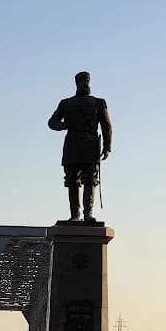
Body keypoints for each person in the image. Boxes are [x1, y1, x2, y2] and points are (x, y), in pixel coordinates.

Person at [48, 71, 113, 222]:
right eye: (82, 81)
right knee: (71, 180)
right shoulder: (66, 103)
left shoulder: (99, 102)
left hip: (90, 145)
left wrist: (107, 146)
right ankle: (75, 215)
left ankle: (87, 213)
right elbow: (52, 122)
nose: (85, 83)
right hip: (72, 145)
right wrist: (62, 125)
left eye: (87, 80)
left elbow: (106, 126)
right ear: (77, 83)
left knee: (90, 179)